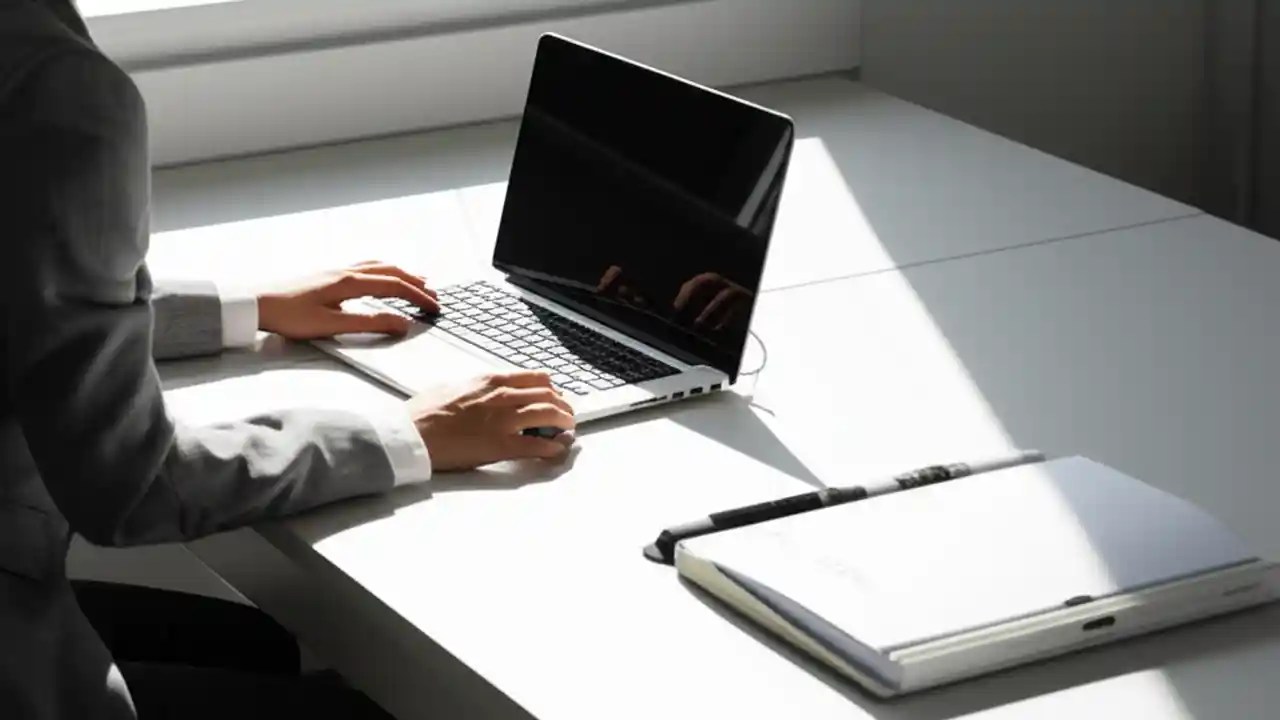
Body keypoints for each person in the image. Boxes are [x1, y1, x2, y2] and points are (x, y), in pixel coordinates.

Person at [0, 1, 576, 718]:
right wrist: (404, 437)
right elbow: (131, 484)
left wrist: (245, 309)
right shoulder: (51, 88)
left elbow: (26, 297)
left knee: (257, 643)